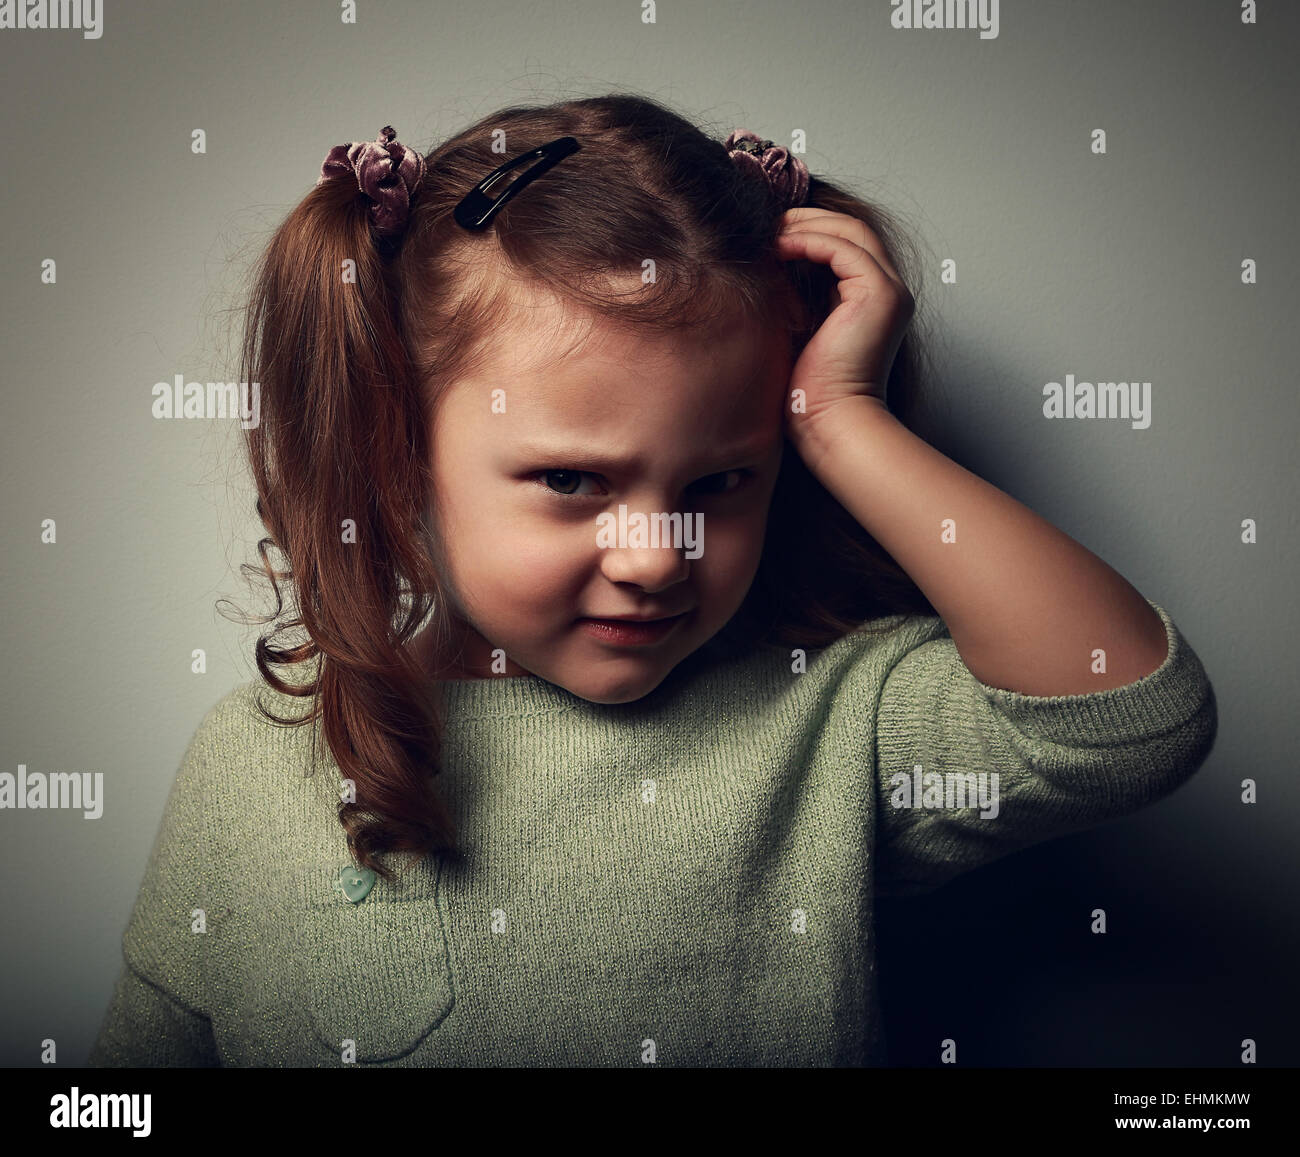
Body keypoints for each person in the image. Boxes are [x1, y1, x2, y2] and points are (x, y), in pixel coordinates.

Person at [88, 94, 1217, 1067]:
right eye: (572, 477)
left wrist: (843, 420)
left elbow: (1129, 716)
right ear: (400, 449)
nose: (655, 555)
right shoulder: (257, 758)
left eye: (724, 479)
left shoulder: (833, 719)